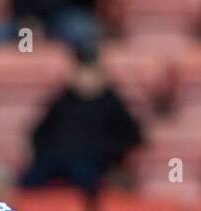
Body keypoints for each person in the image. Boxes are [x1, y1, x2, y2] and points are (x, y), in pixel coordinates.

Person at [21, 46, 141, 193]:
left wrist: (102, 151)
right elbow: (38, 134)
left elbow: (133, 137)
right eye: (81, 73)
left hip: (93, 162)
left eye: (90, 73)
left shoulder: (112, 103)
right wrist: (52, 148)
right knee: (29, 180)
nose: (85, 78)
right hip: (57, 157)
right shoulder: (62, 101)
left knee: (87, 179)